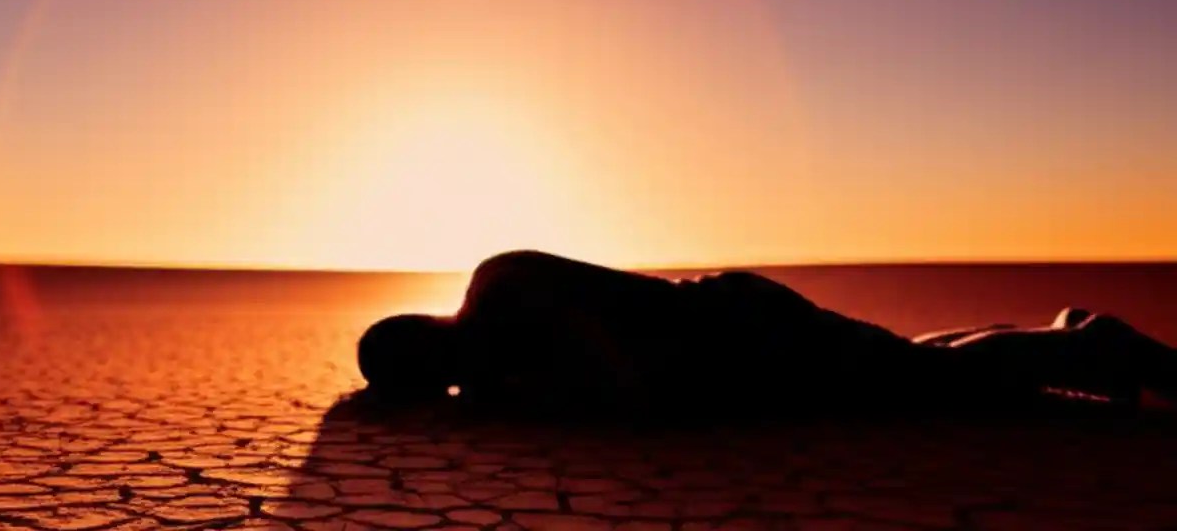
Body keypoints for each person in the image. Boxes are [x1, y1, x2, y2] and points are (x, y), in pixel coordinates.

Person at [356, 250, 1175, 415]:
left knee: (925, 385)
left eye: (441, 373)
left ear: (432, 337)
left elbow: (624, 385)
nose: (457, 383)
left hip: (740, 330)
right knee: (898, 362)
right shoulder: (495, 309)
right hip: (742, 328)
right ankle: (1054, 332)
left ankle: (1095, 343)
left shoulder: (502, 298)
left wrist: (512, 399)